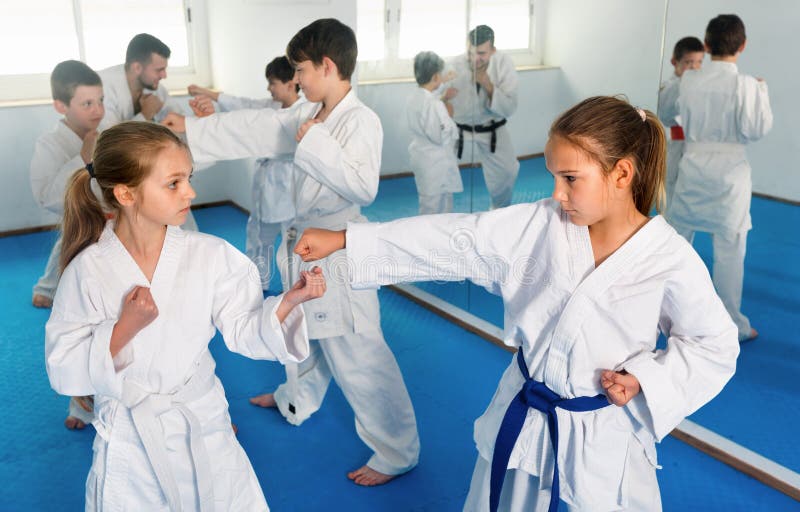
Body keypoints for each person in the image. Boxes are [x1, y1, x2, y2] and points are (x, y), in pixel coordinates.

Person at [292, 96, 740, 511]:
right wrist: (347, 240)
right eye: (553, 177)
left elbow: (714, 344)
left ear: (621, 175)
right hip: (524, 417)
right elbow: (453, 240)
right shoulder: (541, 224)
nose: (557, 194)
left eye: (570, 179)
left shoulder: (668, 257)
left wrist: (645, 378)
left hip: (604, 429)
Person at [162, 18, 420, 486]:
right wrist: (193, 130)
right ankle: (294, 399)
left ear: (326, 65)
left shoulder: (360, 121)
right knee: (305, 335)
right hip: (305, 245)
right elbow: (258, 127)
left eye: (301, 69)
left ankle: (397, 450)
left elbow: (364, 184)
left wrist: (316, 142)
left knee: (358, 353)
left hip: (341, 251)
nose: (296, 79)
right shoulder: (310, 113)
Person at [45, 121, 325, 511]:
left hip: (206, 428)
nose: (190, 192)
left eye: (188, 178)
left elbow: (245, 326)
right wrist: (122, 330)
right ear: (126, 193)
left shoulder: (210, 255)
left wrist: (286, 304)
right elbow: (64, 366)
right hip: (132, 441)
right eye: (173, 183)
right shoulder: (88, 271)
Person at [669, 14, 772, 342]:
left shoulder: (689, 80)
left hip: (693, 165)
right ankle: (734, 326)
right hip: (730, 174)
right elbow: (757, 130)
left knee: (677, 243)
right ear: (742, 46)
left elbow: (680, 120)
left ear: (708, 45)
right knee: (730, 250)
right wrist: (761, 91)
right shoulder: (746, 85)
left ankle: (666, 315)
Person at [29, 60, 105, 429]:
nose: (97, 111)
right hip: (77, 243)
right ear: (62, 106)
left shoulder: (107, 131)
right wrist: (84, 157)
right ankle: (80, 406)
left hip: (108, 240)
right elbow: (45, 196)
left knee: (110, 325)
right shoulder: (51, 144)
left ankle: (102, 401)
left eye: (100, 101)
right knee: (80, 329)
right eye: (86, 104)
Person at [187, 56, 303, 288]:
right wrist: (206, 93)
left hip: (291, 187)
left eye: (273, 83)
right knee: (259, 238)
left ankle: (296, 290)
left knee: (293, 246)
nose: (269, 88)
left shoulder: (304, 111)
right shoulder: (270, 107)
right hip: (266, 187)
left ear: (290, 83)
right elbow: (241, 105)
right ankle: (258, 284)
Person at [98, 33, 199, 231]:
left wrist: (196, 121)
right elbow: (107, 144)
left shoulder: (155, 89)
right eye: (159, 69)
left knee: (183, 227)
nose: (164, 76)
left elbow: (176, 120)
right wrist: (144, 115)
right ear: (137, 67)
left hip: (153, 171)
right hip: (118, 179)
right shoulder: (103, 88)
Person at [447, 24, 519, 209]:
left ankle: (498, 211)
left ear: (492, 50)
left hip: (491, 127)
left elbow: (510, 107)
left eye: (481, 53)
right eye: (471, 52)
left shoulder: (504, 63)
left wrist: (487, 84)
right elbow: (437, 96)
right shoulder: (454, 65)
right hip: (459, 128)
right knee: (439, 172)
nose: (475, 58)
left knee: (508, 171)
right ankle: (440, 216)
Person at [407, 51, 462, 214]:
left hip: (423, 158)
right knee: (435, 207)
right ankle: (432, 238)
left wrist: (443, 88)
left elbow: (432, 96)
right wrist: (449, 118)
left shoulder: (415, 97)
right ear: (435, 76)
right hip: (435, 162)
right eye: (441, 75)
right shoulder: (434, 104)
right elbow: (439, 135)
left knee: (431, 203)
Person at [657, 36, 704, 210]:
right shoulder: (670, 87)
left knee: (691, 200)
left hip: (696, 148)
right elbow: (666, 115)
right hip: (677, 147)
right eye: (688, 62)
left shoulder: (699, 86)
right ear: (674, 62)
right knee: (672, 197)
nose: (694, 67)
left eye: (699, 62)